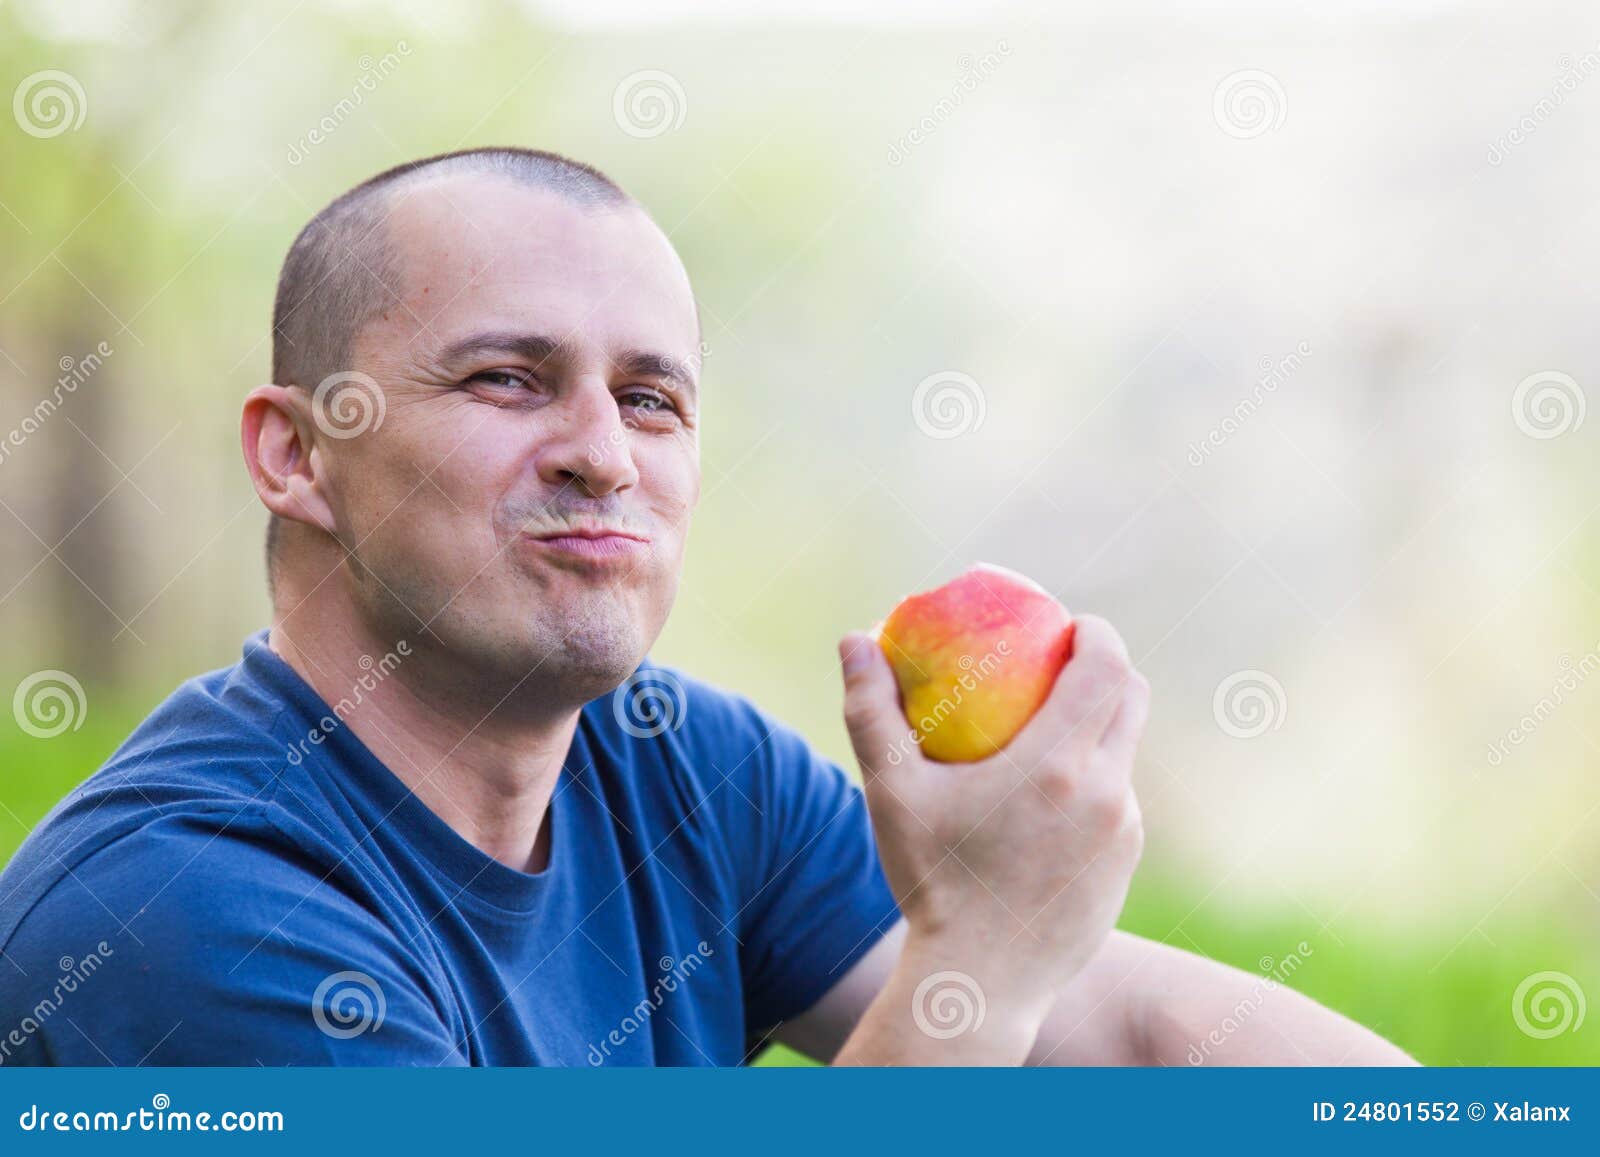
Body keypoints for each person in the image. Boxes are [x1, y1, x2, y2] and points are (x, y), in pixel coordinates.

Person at [0, 147, 1411, 1066]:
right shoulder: (182, 919)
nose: (602, 451)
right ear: (298, 452)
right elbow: (978, 997)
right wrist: (976, 952)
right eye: (506, 377)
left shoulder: (677, 762)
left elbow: (1137, 1034)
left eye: (650, 398)